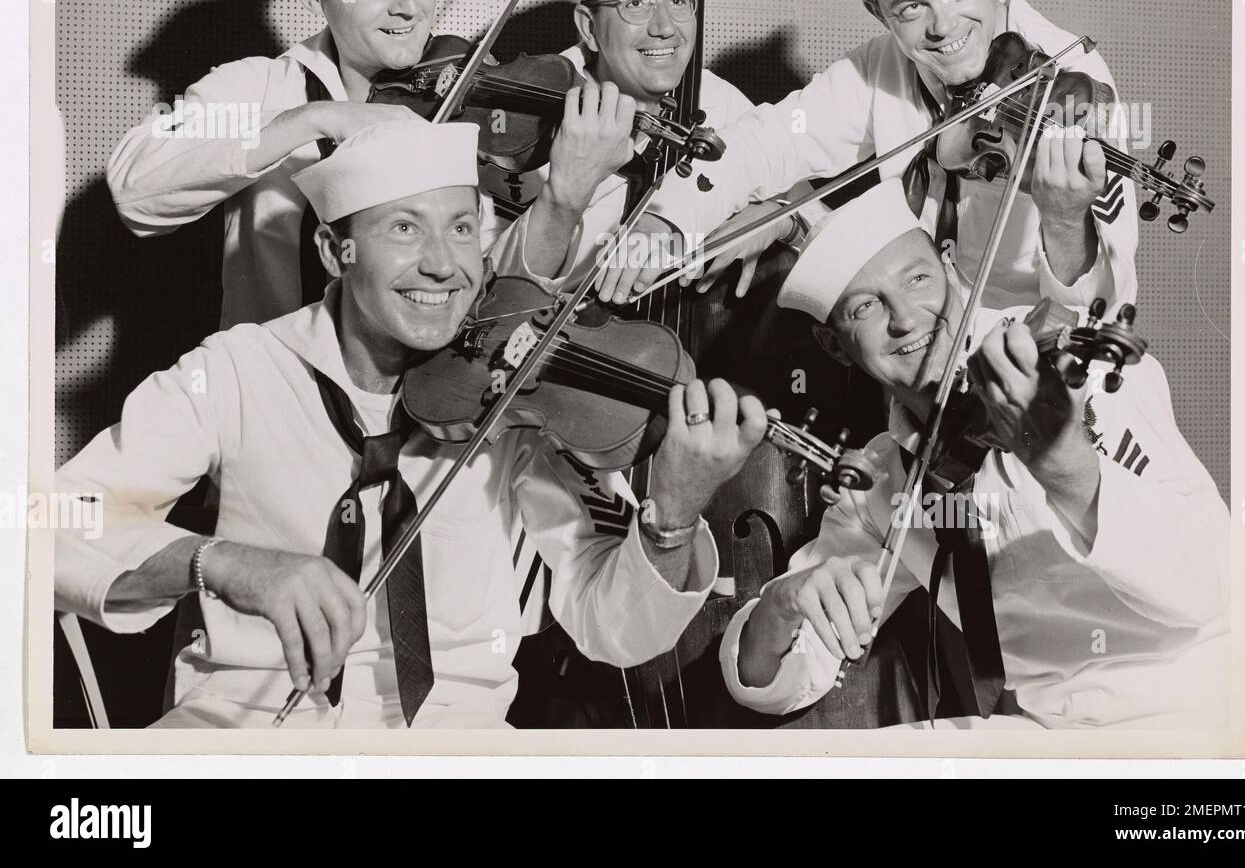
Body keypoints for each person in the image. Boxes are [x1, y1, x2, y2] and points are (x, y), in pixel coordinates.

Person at [56, 119, 767, 728]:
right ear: (337, 252)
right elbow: (46, 525)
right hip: (251, 729)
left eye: (461, 228)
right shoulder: (238, 369)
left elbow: (612, 623)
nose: (442, 265)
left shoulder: (509, 397)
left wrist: (672, 514)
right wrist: (224, 563)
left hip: (458, 742)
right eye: (404, 228)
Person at [720, 180, 1227, 729]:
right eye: (865, 307)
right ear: (834, 346)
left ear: (950, 271)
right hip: (1049, 736)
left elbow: (1210, 585)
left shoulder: (1077, 379)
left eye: (917, 279)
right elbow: (775, 679)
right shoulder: (881, 485)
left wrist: (1071, 470)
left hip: (1194, 705)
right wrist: (783, 604)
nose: (906, 319)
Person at [105, 0, 633, 330]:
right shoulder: (261, 88)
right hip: (278, 406)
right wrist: (315, 119)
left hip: (433, 416)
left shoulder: (481, 101)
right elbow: (136, 194)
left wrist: (565, 198)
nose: (409, 6)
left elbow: (502, 306)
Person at [604, 0, 1140, 313]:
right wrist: (667, 221)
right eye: (911, 9)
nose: (944, 25)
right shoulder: (880, 68)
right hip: (914, 373)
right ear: (880, 15)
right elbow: (769, 143)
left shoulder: (1069, 89)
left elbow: (1101, 304)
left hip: (1042, 377)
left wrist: (1067, 222)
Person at [489, 0, 822, 294]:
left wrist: (777, 216)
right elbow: (483, 296)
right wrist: (563, 200)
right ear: (589, 28)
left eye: (679, 0)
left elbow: (816, 211)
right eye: (636, 4)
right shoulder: (518, 123)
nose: (664, 27)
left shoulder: (715, 100)